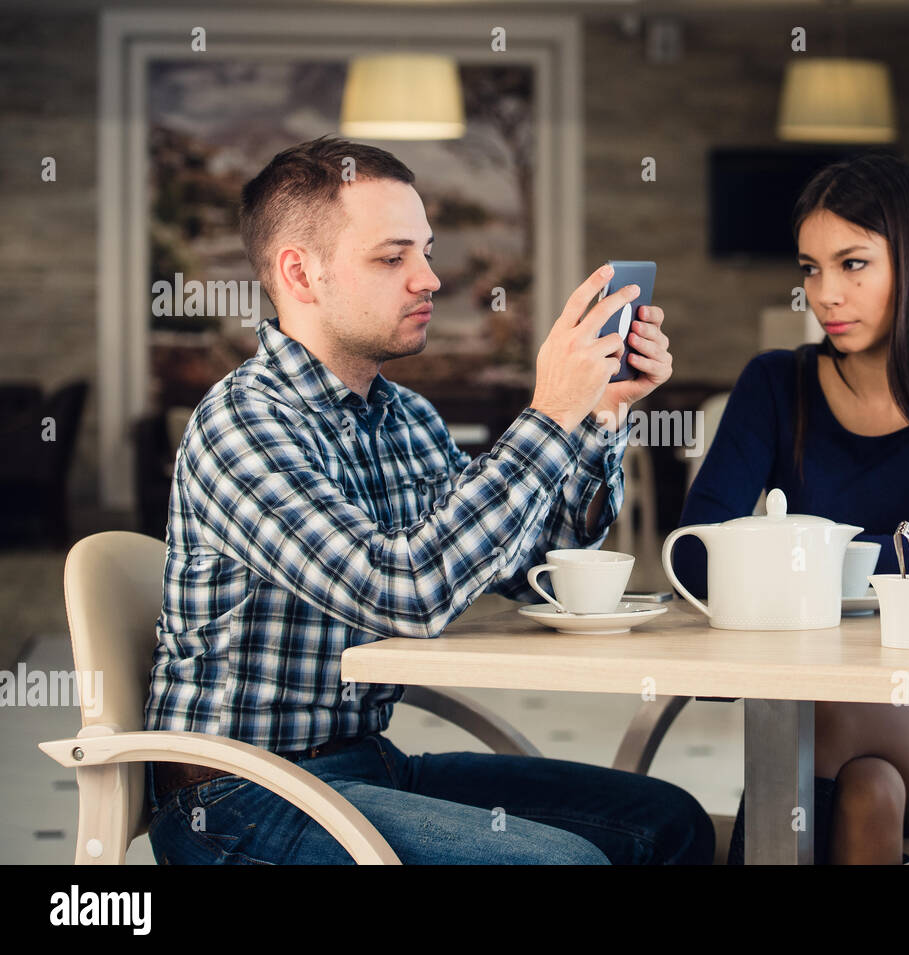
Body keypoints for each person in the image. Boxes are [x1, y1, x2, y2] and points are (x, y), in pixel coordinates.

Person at [143, 136, 713, 865]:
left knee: (670, 821)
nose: (431, 278)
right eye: (393, 257)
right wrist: (546, 418)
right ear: (300, 273)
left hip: (364, 766)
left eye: (428, 251)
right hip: (234, 801)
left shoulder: (405, 417)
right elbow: (406, 591)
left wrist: (597, 413)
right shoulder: (243, 425)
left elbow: (531, 565)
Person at [674, 153, 909, 863]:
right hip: (839, 723)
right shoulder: (776, 383)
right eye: (810, 268)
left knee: (817, 708)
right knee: (870, 793)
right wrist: (905, 555)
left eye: (854, 264)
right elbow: (692, 551)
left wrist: (787, 559)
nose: (825, 293)